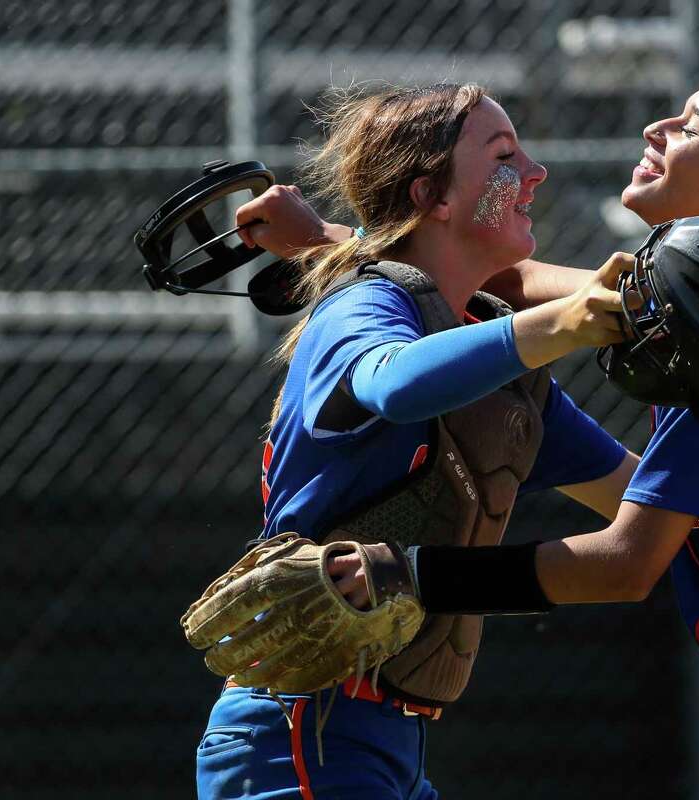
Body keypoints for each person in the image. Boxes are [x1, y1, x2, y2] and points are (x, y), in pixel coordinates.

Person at [223, 70, 699, 798]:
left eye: (688, 127)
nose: (656, 127)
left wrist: (414, 574)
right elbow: (472, 281)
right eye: (502, 153)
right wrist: (335, 241)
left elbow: (628, 559)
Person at [194, 82, 641, 800]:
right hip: (301, 734)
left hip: (384, 742)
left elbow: (636, 502)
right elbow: (393, 382)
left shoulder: (495, 359)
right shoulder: (367, 303)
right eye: (503, 155)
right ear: (433, 195)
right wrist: (564, 324)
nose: (535, 171)